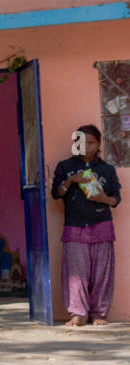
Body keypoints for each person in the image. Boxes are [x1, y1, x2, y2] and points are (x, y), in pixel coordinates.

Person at [52, 124, 121, 326]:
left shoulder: (107, 170)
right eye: (81, 142)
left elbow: (116, 199)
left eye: (91, 142)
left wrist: (103, 198)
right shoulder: (65, 167)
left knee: (102, 272)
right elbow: (56, 193)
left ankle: (99, 314)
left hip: (102, 224)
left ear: (99, 144)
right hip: (75, 225)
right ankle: (78, 314)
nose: (86, 146)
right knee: (76, 273)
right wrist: (71, 179)